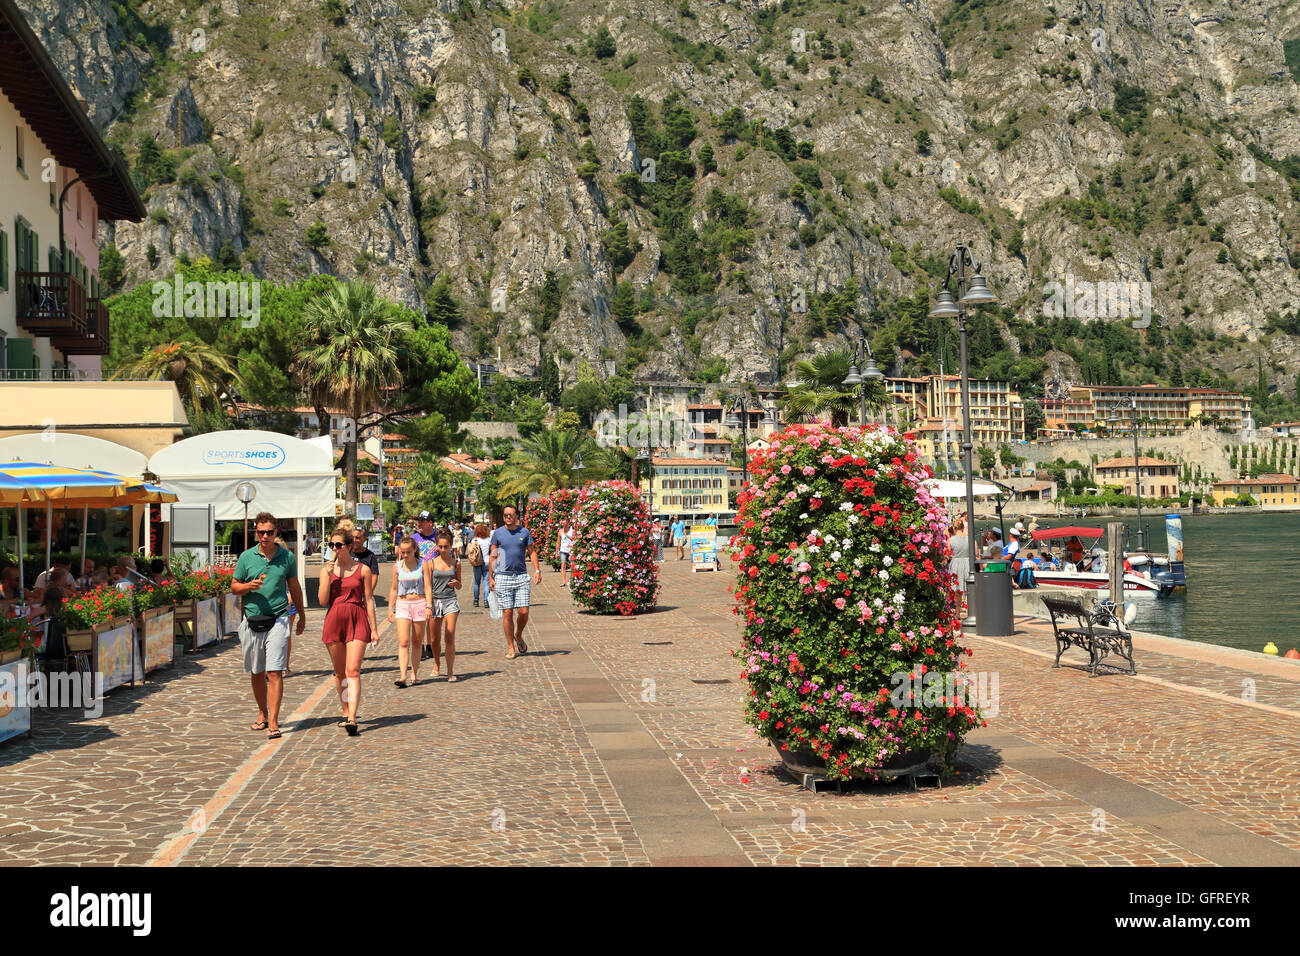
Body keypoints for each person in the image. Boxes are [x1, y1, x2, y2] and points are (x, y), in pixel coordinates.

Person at [232, 512, 307, 741]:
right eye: (261, 532)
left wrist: (302, 615)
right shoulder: (246, 557)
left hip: (279, 618)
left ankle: (273, 721)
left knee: (274, 671)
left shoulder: (287, 557)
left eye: (269, 532)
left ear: (276, 532)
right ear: (256, 533)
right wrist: (248, 586)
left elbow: (294, 587)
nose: (265, 536)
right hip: (253, 619)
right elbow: (234, 587)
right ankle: (262, 713)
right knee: (257, 672)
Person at [319, 526, 378, 736]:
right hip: (334, 620)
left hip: (357, 618)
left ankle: (352, 717)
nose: (335, 549)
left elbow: (368, 600)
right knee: (340, 673)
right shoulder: (326, 570)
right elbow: (322, 600)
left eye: (339, 545)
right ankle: (345, 711)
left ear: (349, 546)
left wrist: (374, 629)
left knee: (353, 670)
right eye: (332, 545)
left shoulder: (363, 570)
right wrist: (327, 576)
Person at [488, 505, 541, 659]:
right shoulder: (498, 533)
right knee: (508, 612)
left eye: (511, 515)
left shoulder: (524, 532)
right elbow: (493, 555)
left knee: (524, 611)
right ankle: (511, 646)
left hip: (521, 576)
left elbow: (532, 552)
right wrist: (490, 577)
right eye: (505, 515)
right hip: (503, 577)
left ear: (516, 516)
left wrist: (537, 570)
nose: (508, 517)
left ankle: (518, 634)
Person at [386, 536, 431, 687]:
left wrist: (429, 606)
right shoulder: (397, 566)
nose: (405, 555)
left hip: (419, 603)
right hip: (402, 604)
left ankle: (415, 674)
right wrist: (390, 608)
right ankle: (403, 676)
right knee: (404, 642)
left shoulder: (423, 564)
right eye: (403, 552)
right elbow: (394, 588)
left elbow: (427, 587)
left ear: (414, 550)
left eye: (408, 552)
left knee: (417, 642)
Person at [427, 531, 463, 680]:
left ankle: (450, 671)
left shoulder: (456, 563)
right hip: (435, 601)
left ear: (450, 546)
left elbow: (460, 585)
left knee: (449, 636)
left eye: (446, 547)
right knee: (434, 639)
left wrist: (456, 583)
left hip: (450, 601)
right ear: (437, 546)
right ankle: (437, 663)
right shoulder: (431, 563)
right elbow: (427, 586)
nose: (443, 549)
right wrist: (428, 605)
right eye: (440, 547)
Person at [406, 512, 439, 658]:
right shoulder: (414, 538)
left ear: (430, 523)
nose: (419, 523)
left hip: (435, 579)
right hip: (417, 580)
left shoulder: (438, 537)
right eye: (418, 521)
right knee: (419, 613)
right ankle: (419, 645)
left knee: (431, 613)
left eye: (422, 521)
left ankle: (430, 644)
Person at [467, 523, 491, 607]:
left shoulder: (475, 540)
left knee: (476, 582)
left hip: (477, 562)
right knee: (486, 582)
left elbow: (470, 551)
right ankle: (486, 601)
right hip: (487, 562)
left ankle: (476, 601)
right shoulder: (489, 540)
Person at [948, 517, 970, 599]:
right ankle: (968, 606)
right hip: (967, 564)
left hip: (955, 564)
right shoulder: (970, 539)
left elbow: (947, 555)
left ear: (954, 528)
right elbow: (976, 554)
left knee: (956, 590)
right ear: (963, 528)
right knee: (968, 588)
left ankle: (957, 607)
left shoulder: (950, 540)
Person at [557, 520, 576, 588]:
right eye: (562, 523)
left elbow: (575, 540)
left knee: (573, 566)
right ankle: (564, 582)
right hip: (563, 551)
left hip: (571, 551)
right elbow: (558, 542)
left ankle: (573, 580)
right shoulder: (560, 532)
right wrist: (556, 552)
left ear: (568, 524)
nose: (563, 525)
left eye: (564, 523)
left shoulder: (572, 531)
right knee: (563, 566)